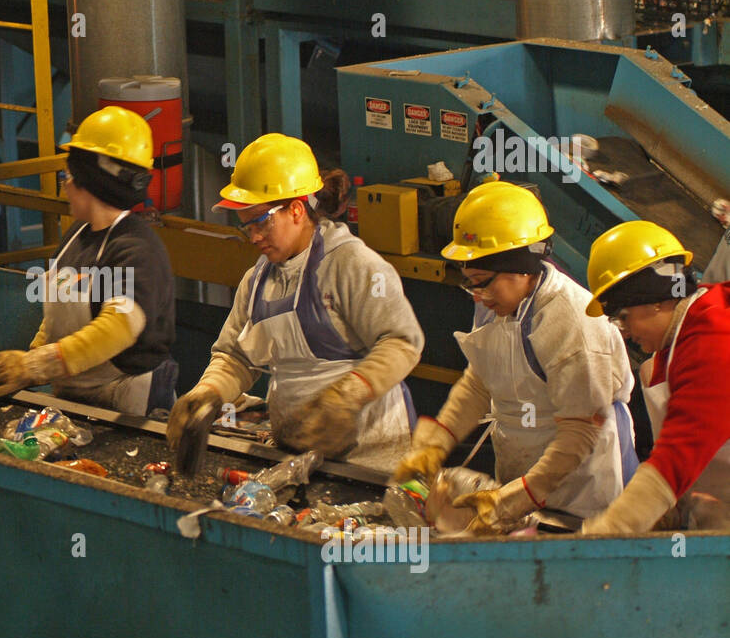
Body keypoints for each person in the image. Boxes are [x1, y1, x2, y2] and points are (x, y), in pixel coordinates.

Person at [392, 182, 637, 534]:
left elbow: (579, 434)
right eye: (469, 283)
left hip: (581, 492)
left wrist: (514, 499)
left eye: (482, 281)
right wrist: (438, 441)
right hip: (524, 489)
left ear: (520, 268)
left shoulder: (571, 322)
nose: (476, 296)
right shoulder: (496, 303)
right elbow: (479, 380)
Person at [168, 134, 423, 461]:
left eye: (261, 222)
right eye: (246, 225)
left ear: (297, 209)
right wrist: (206, 394)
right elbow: (235, 356)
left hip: (371, 460)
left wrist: (349, 394)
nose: (254, 237)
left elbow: (402, 342)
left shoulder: (352, 265)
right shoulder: (259, 280)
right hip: (299, 453)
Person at [0, 106, 177, 414]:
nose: (64, 185)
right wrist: (28, 361)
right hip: (73, 396)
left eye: (68, 176)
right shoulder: (76, 236)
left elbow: (119, 327)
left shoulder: (136, 249)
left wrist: (34, 366)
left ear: (90, 181)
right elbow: (56, 316)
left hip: (126, 403)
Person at [580, 221, 730, 534]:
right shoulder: (672, 349)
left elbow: (679, 453)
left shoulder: (713, 335)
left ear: (656, 300)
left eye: (623, 317)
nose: (625, 332)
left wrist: (605, 533)